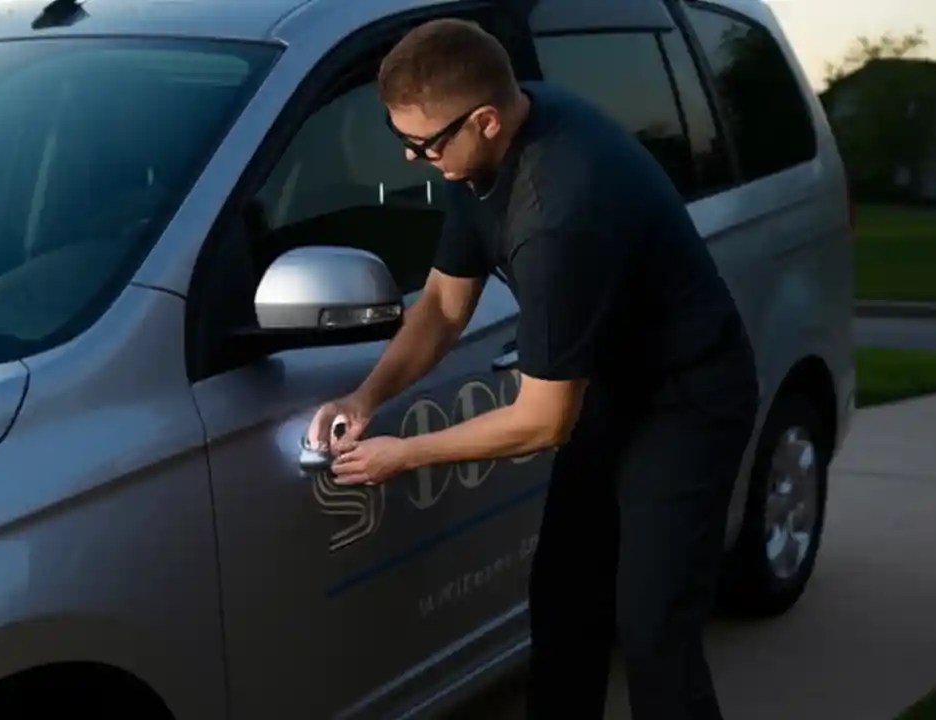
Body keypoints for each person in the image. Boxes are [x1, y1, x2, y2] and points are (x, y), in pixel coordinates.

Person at [305, 17, 760, 720]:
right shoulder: (482, 150)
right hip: (608, 386)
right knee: (565, 606)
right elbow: (444, 306)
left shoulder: (558, 213)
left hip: (687, 399)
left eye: (422, 145)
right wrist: (366, 397)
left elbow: (544, 421)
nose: (412, 158)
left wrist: (405, 453)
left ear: (484, 120)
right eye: (402, 139)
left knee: (653, 631)